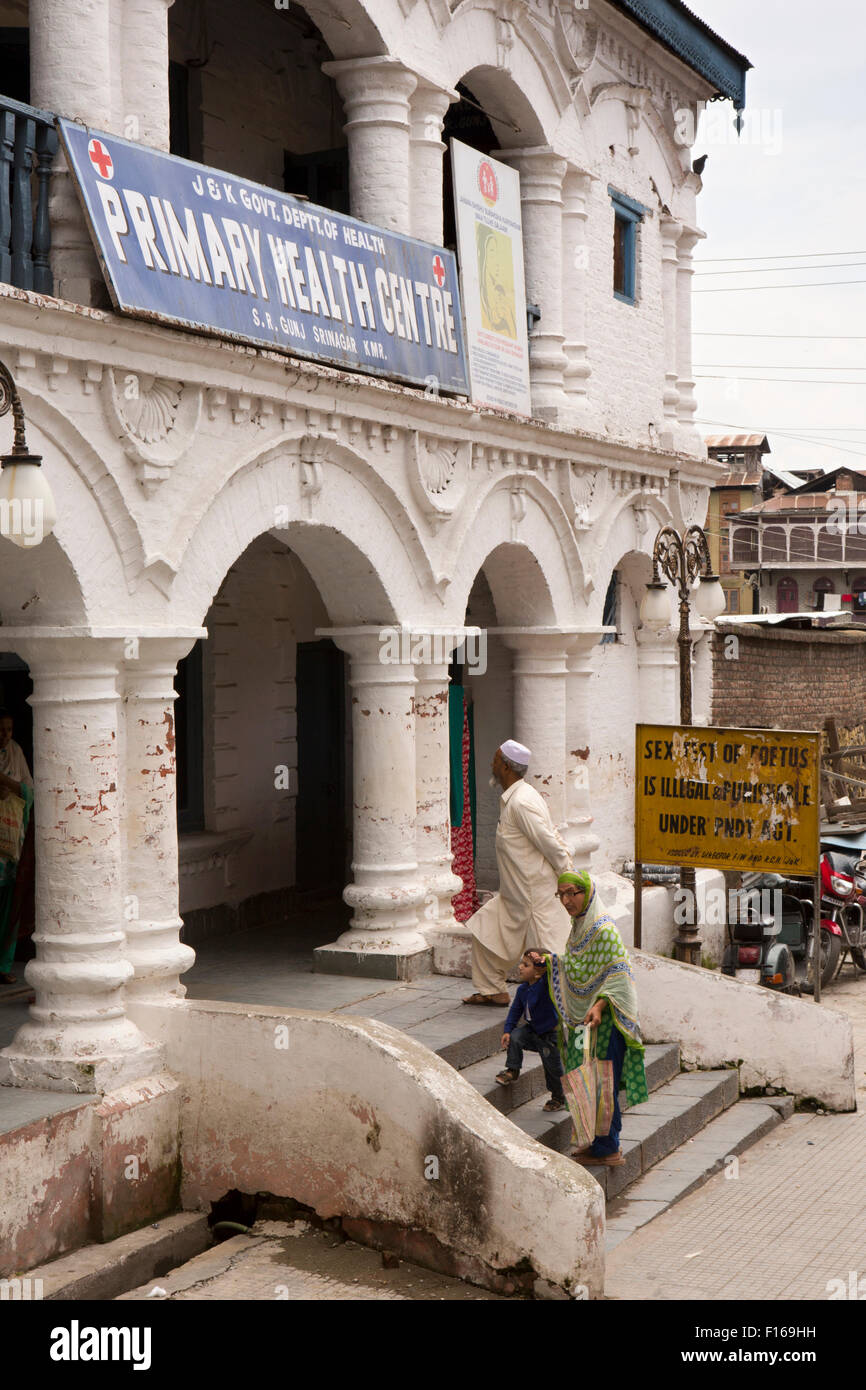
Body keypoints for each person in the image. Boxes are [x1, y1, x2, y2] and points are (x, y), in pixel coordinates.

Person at [546, 870, 648, 1167]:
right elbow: (577, 968)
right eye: (561, 894)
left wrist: (601, 1005)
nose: (566, 901)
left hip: (606, 1022)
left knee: (605, 1082)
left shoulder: (604, 930)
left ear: (587, 893)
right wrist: (550, 963)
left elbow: (619, 976)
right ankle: (595, 1141)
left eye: (571, 893)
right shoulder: (579, 928)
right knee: (589, 1079)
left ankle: (609, 1148)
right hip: (588, 1023)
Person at [462, 739, 571, 1007]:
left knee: (547, 954)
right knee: (484, 931)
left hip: (534, 896)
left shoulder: (521, 802)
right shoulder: (517, 798)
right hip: (514, 894)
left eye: (496, 760)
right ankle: (491, 990)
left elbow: (550, 841)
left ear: (507, 767)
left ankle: (565, 1003)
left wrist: (568, 877)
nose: (492, 764)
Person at [496, 947, 566, 1112]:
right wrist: (507, 1030)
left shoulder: (546, 986)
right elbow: (515, 1012)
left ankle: (558, 1097)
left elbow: (556, 973)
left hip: (550, 1036)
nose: (520, 967)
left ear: (538, 973)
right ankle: (512, 1070)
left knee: (553, 1069)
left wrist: (545, 961)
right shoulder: (522, 990)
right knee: (516, 1036)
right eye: (521, 963)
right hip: (533, 1030)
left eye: (526, 965)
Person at [0, 710, 34, 986]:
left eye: (9, 730)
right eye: (0, 730)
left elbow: (30, 792)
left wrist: (6, 783)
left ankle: (3, 964)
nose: (5, 736)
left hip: (11, 844)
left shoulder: (16, 753)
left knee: (9, 905)